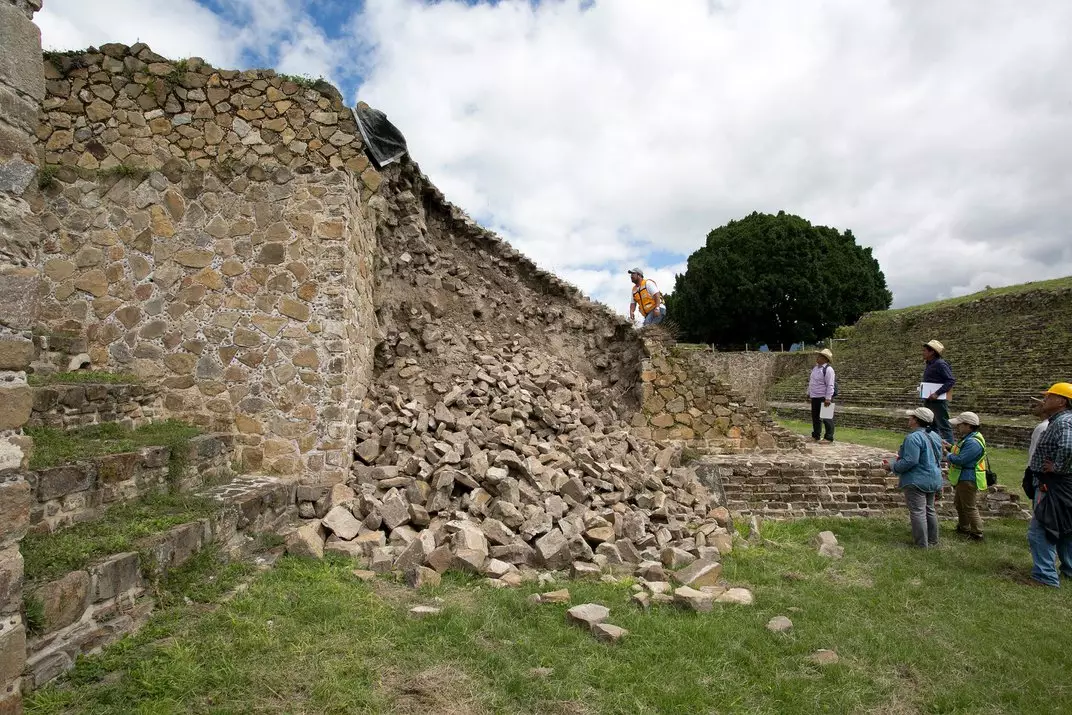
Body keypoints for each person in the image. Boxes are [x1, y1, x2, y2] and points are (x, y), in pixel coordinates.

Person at [1024, 382, 1072, 587]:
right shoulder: (1061, 420)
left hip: (1051, 483)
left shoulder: (1063, 423)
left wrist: (1058, 467)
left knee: (1041, 529)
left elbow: (1068, 445)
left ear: (1062, 401)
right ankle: (1069, 568)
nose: (1044, 399)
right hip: (1059, 483)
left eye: (1049, 396)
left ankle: (1045, 576)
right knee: (1064, 527)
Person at [886, 407, 944, 548]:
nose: (909, 419)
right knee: (929, 509)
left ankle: (921, 544)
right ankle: (932, 540)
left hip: (917, 479)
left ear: (917, 420)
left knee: (918, 511)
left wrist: (892, 466)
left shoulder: (913, 438)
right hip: (933, 477)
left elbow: (911, 460)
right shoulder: (935, 436)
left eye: (911, 417)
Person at [946, 411, 987, 541]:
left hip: (968, 477)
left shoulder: (973, 442)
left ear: (968, 425)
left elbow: (961, 459)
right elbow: (960, 451)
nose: (958, 427)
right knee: (959, 503)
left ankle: (977, 533)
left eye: (960, 424)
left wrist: (947, 455)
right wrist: (950, 448)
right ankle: (964, 527)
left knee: (969, 506)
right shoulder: (969, 439)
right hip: (963, 477)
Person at [921, 339, 956, 445]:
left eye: (925, 351)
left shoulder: (940, 364)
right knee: (931, 424)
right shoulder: (930, 364)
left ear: (932, 352)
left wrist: (937, 393)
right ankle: (935, 446)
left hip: (938, 400)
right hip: (929, 399)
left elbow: (950, 380)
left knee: (943, 425)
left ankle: (950, 450)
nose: (923, 353)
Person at [806, 349, 836, 443]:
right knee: (815, 417)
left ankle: (828, 437)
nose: (817, 358)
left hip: (823, 396)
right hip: (815, 396)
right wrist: (809, 393)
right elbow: (812, 382)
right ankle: (816, 435)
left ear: (825, 359)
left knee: (827, 417)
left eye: (820, 356)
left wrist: (828, 398)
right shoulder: (815, 368)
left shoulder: (828, 370)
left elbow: (830, 384)